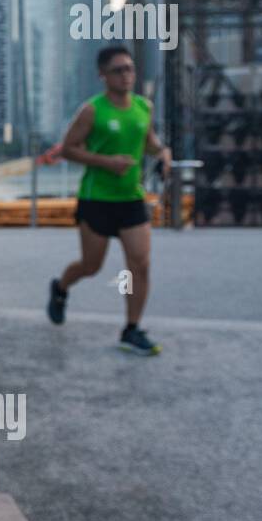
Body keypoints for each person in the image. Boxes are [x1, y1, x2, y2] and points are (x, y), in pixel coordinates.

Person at [46, 46, 172, 356]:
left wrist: (163, 152)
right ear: (103, 75)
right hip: (97, 199)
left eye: (129, 68)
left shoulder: (144, 107)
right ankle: (60, 288)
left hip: (131, 199)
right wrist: (106, 162)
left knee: (140, 265)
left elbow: (149, 141)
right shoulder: (92, 110)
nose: (126, 75)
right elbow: (68, 149)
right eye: (118, 70)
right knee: (91, 266)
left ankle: (131, 330)